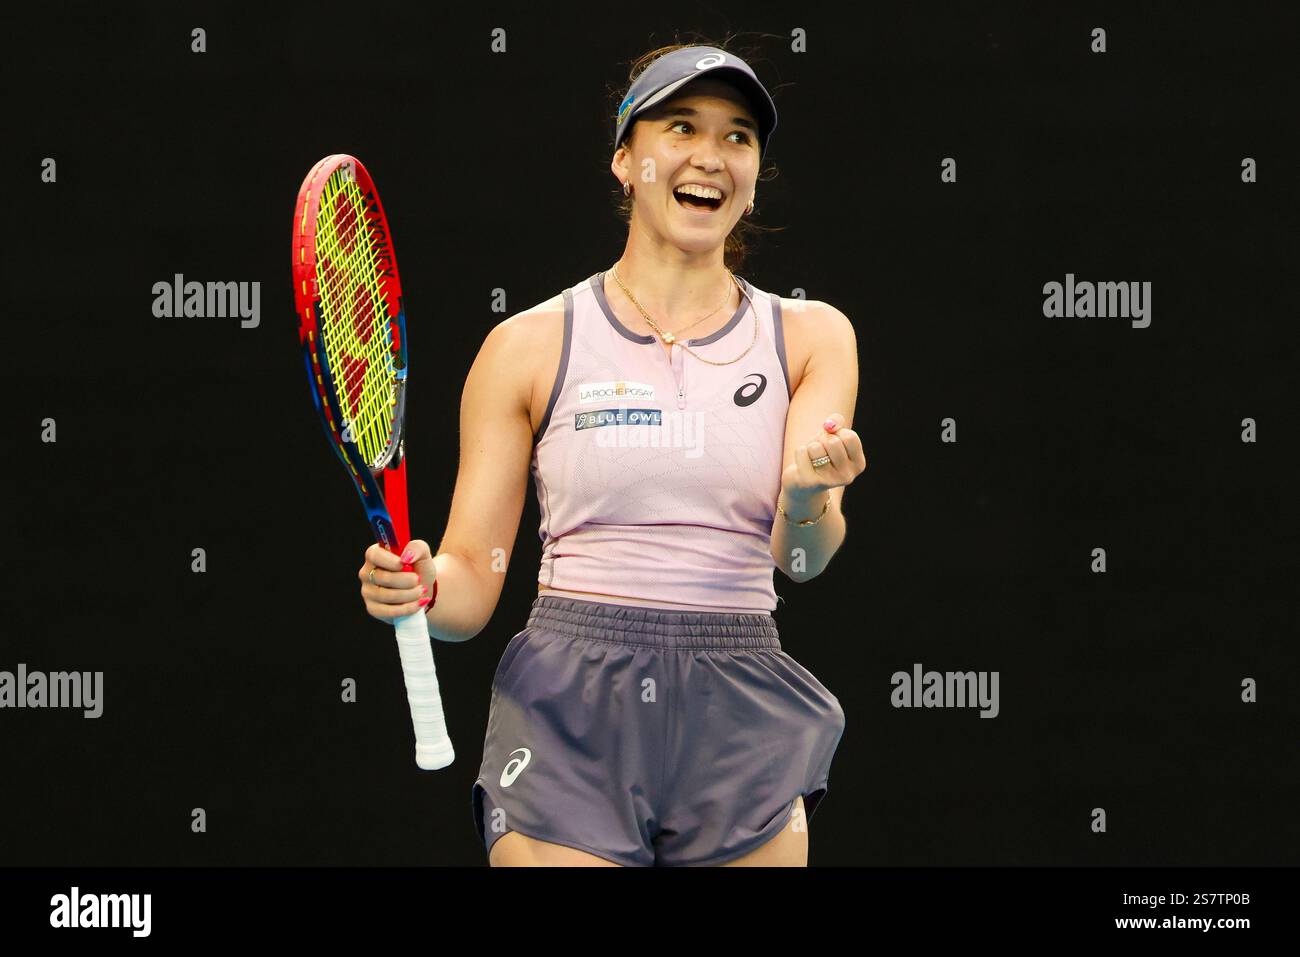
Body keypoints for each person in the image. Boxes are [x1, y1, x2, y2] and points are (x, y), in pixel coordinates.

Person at [358, 42, 867, 866]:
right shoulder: (526, 346)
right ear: (626, 159)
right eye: (681, 126)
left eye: (738, 136)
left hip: (739, 697)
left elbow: (802, 561)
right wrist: (420, 586)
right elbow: (468, 590)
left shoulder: (811, 337)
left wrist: (809, 499)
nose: (710, 155)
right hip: (571, 699)